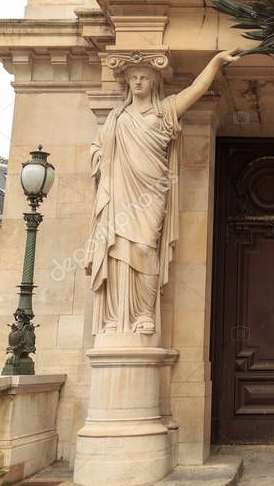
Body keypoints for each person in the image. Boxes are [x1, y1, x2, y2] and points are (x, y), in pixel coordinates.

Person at [86, 50, 238, 337]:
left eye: (144, 77)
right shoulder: (117, 117)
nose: (138, 82)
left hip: (152, 192)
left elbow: (196, 89)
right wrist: (98, 157)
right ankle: (118, 317)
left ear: (155, 82)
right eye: (134, 78)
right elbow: (97, 148)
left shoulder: (165, 111)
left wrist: (216, 61)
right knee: (119, 250)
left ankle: (144, 312)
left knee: (145, 248)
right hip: (121, 189)